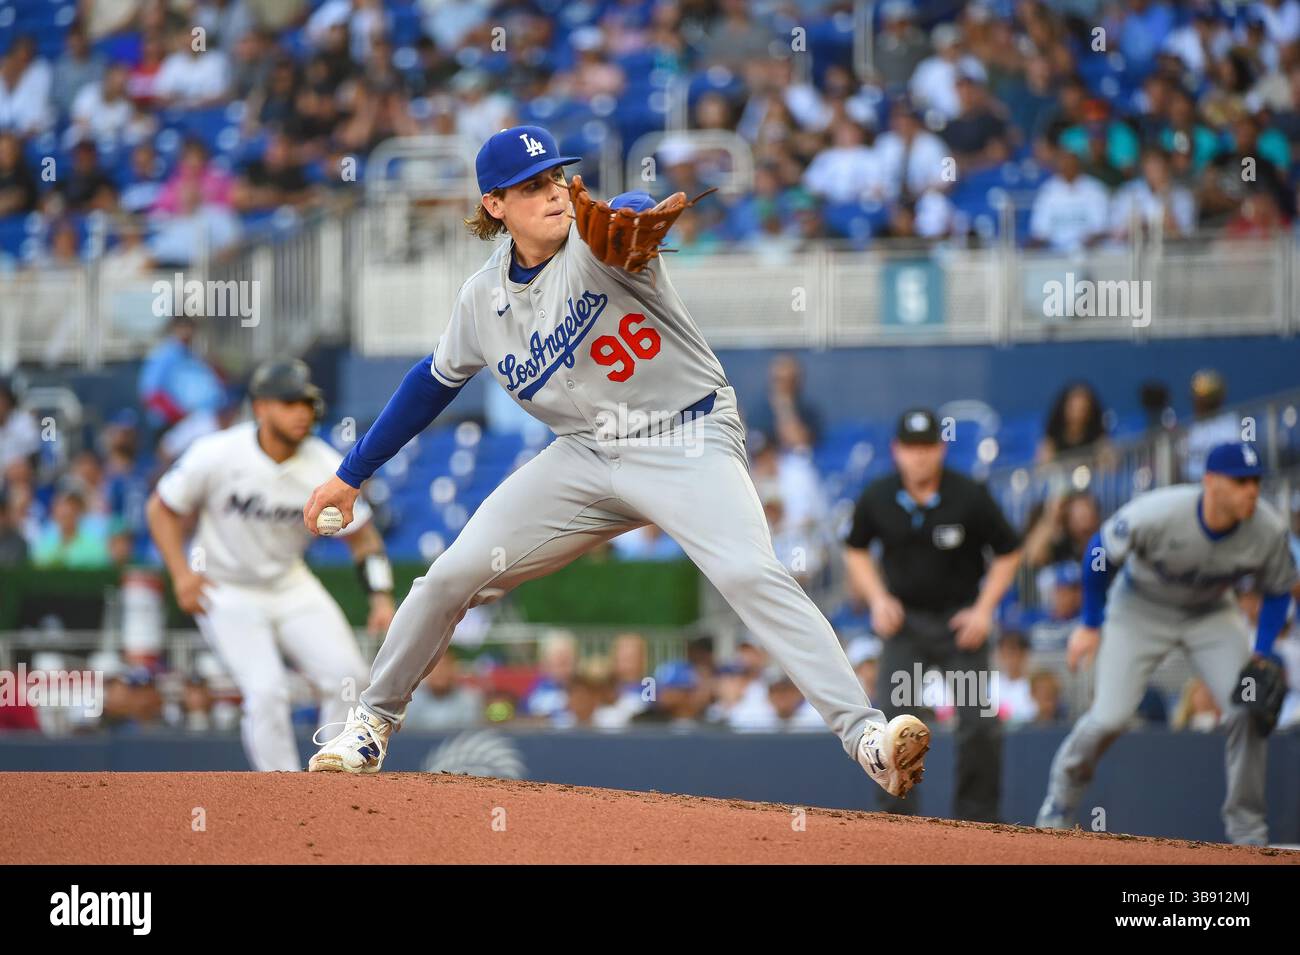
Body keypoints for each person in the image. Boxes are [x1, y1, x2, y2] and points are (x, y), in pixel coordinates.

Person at [303, 125, 930, 796]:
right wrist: (350, 473)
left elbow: (630, 208)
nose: (552, 194)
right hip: (584, 455)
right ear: (494, 205)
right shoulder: (482, 301)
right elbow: (431, 383)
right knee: (449, 575)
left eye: (556, 179)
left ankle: (866, 736)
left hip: (685, 436)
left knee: (750, 572)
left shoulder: (603, 243)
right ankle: (369, 725)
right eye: (531, 186)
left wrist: (632, 212)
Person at [1037, 443, 1298, 845]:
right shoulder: (1159, 512)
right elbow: (1098, 553)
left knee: (1249, 707)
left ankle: (1248, 831)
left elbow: (1280, 590)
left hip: (1211, 612)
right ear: (1210, 482)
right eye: (1240, 481)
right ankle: (1060, 801)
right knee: (1110, 717)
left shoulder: (1267, 528)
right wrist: (1090, 623)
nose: (1252, 490)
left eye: (1256, 481)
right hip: (1140, 607)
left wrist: (1261, 651)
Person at [146, 360, 395, 771]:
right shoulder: (218, 453)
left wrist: (381, 596)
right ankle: (281, 791)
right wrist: (180, 574)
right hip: (224, 588)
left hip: (289, 582)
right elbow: (162, 508)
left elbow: (364, 538)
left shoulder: (324, 464)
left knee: (349, 676)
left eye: (308, 403)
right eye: (290, 402)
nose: (303, 412)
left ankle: (330, 777)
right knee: (266, 693)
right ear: (260, 407)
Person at [843, 408, 1021, 822]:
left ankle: (979, 824)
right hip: (906, 626)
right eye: (911, 448)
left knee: (979, 726)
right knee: (892, 725)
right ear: (896, 451)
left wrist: (983, 610)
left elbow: (1009, 551)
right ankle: (894, 822)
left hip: (961, 627)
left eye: (927, 448)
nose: (919, 457)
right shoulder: (879, 496)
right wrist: (877, 598)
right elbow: (854, 547)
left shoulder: (969, 495)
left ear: (940, 450)